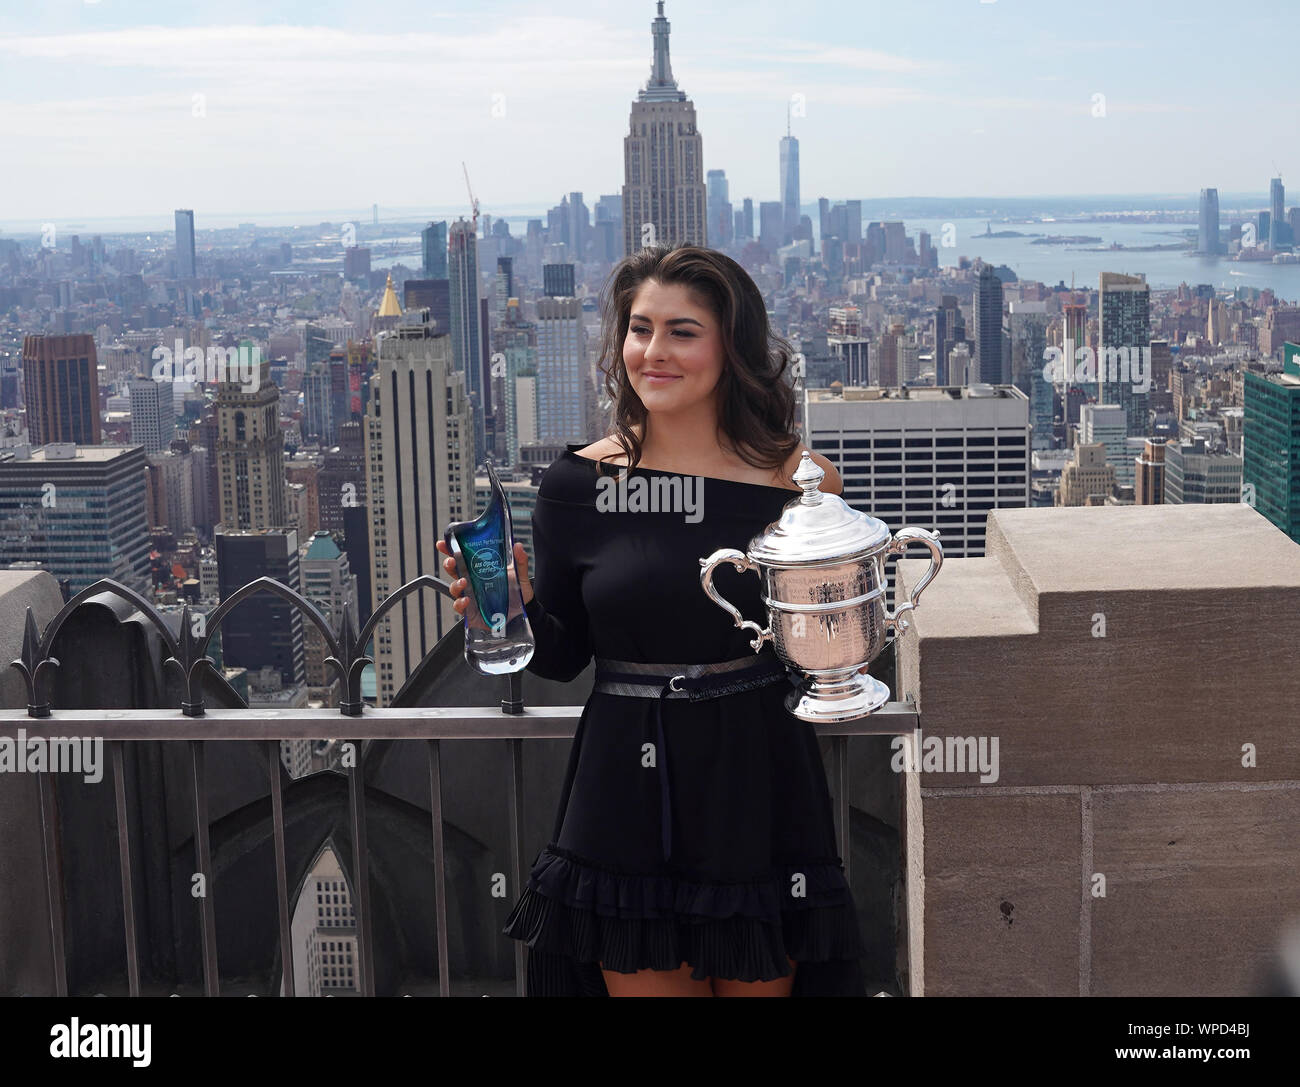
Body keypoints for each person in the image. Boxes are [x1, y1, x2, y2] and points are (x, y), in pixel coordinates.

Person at [438, 244, 867, 997]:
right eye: (640, 329)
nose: (654, 352)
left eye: (683, 331)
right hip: (624, 784)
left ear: (731, 346)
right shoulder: (577, 486)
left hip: (756, 777)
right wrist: (511, 608)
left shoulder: (800, 480)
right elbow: (565, 654)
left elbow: (826, 644)